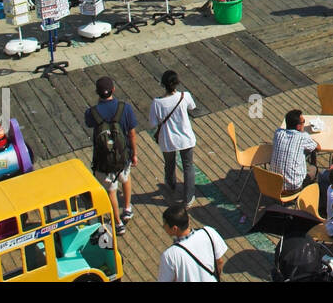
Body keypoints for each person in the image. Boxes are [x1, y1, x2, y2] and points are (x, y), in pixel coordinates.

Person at [83, 76, 137, 236]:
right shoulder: (125, 108)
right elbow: (132, 134)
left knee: (111, 191)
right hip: (123, 156)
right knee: (126, 179)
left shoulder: (91, 113)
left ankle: (118, 224)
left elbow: (89, 123)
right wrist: (134, 154)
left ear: (97, 93)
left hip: (103, 161)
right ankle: (127, 208)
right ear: (113, 90)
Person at [148, 70, 197, 208]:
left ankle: (171, 185)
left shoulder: (157, 103)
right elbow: (192, 107)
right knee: (188, 166)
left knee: (169, 164)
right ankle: (188, 198)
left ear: (163, 85)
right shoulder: (184, 96)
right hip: (185, 138)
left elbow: (152, 123)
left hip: (167, 140)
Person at [157, 204, 227, 283]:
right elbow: (220, 261)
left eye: (164, 224)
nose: (163, 226)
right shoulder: (208, 232)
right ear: (189, 219)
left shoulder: (170, 255)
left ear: (174, 228)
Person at [269, 109, 318, 194]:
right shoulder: (303, 137)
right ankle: (311, 193)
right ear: (298, 126)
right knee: (314, 167)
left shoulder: (278, 133)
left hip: (274, 185)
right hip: (294, 187)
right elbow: (318, 147)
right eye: (303, 122)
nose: (304, 124)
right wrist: (306, 135)